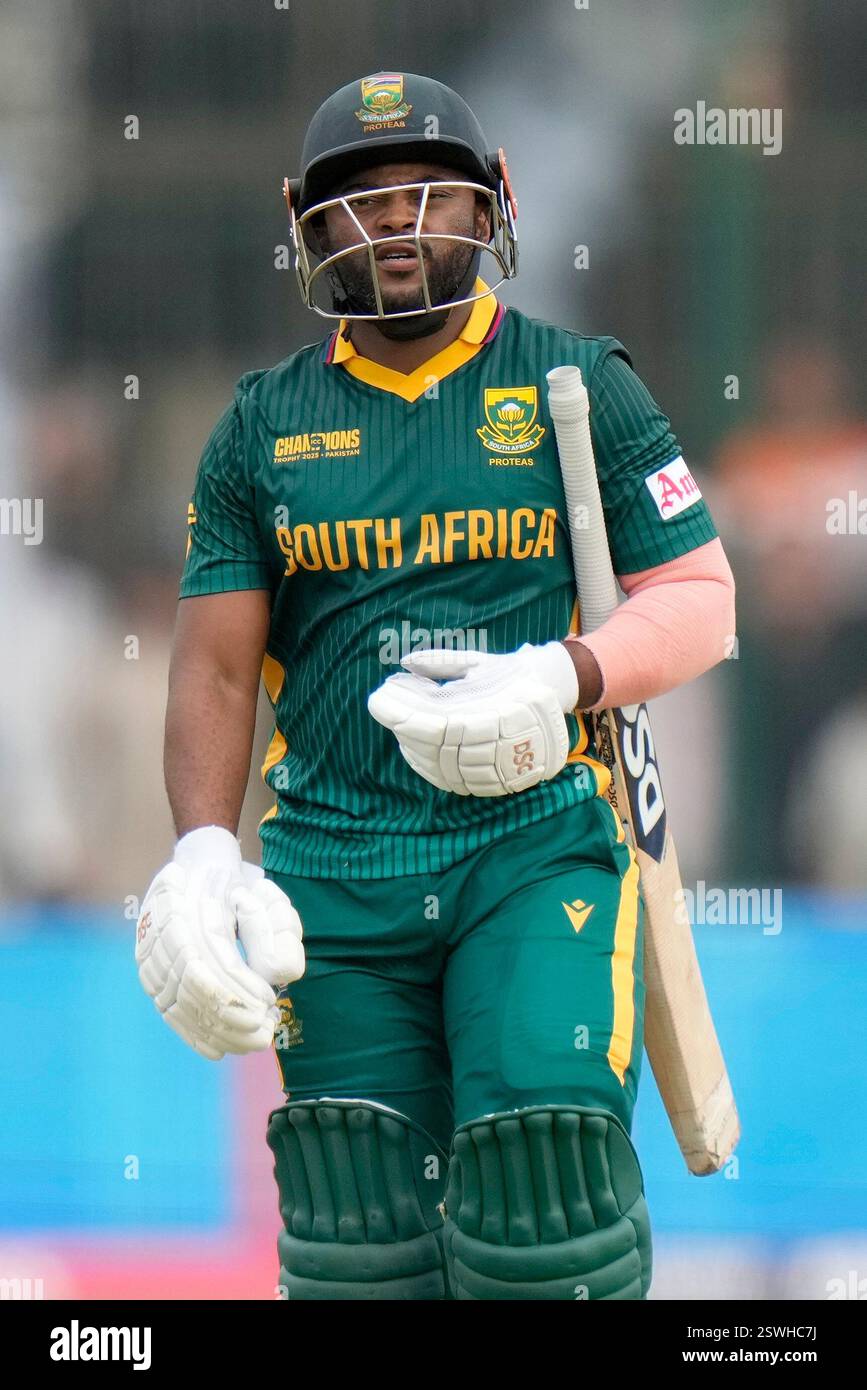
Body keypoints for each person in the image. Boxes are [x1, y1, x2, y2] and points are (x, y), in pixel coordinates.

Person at [135, 71, 735, 1301]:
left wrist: (559, 674)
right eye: (360, 201)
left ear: (494, 203)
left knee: (542, 1200)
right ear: (306, 225)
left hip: (534, 844)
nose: (397, 226)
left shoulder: (578, 384)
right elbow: (210, 665)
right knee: (361, 1235)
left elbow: (703, 601)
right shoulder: (260, 427)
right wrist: (201, 849)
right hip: (335, 875)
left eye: (425, 193)